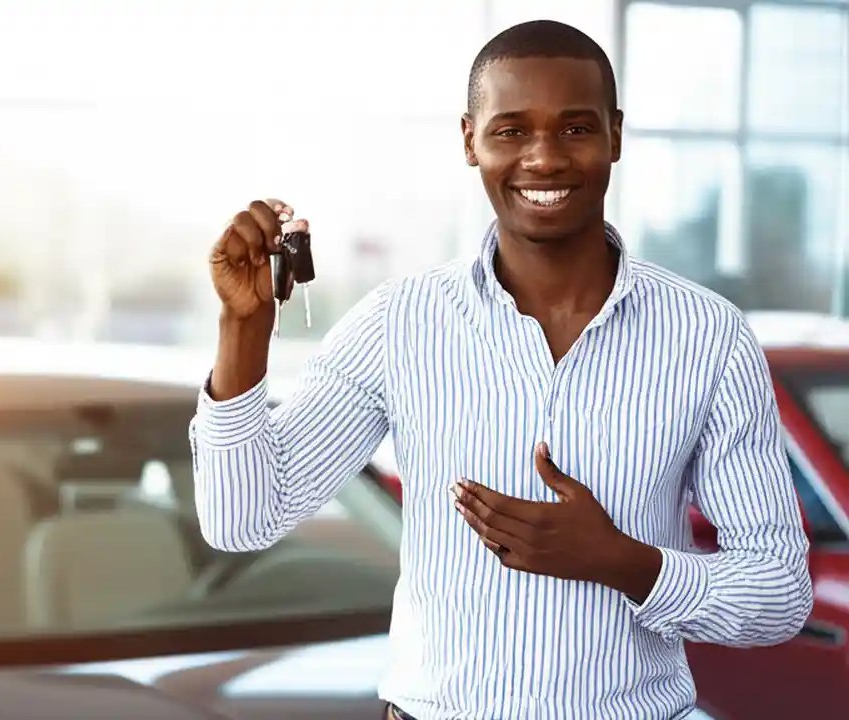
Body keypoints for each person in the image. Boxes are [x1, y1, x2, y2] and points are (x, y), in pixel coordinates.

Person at [189, 19, 812, 720]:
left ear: (615, 135)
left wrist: (621, 562)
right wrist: (243, 327)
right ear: (469, 140)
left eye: (575, 128)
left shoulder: (710, 338)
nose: (543, 158)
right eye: (512, 130)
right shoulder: (400, 323)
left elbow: (779, 594)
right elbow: (242, 520)